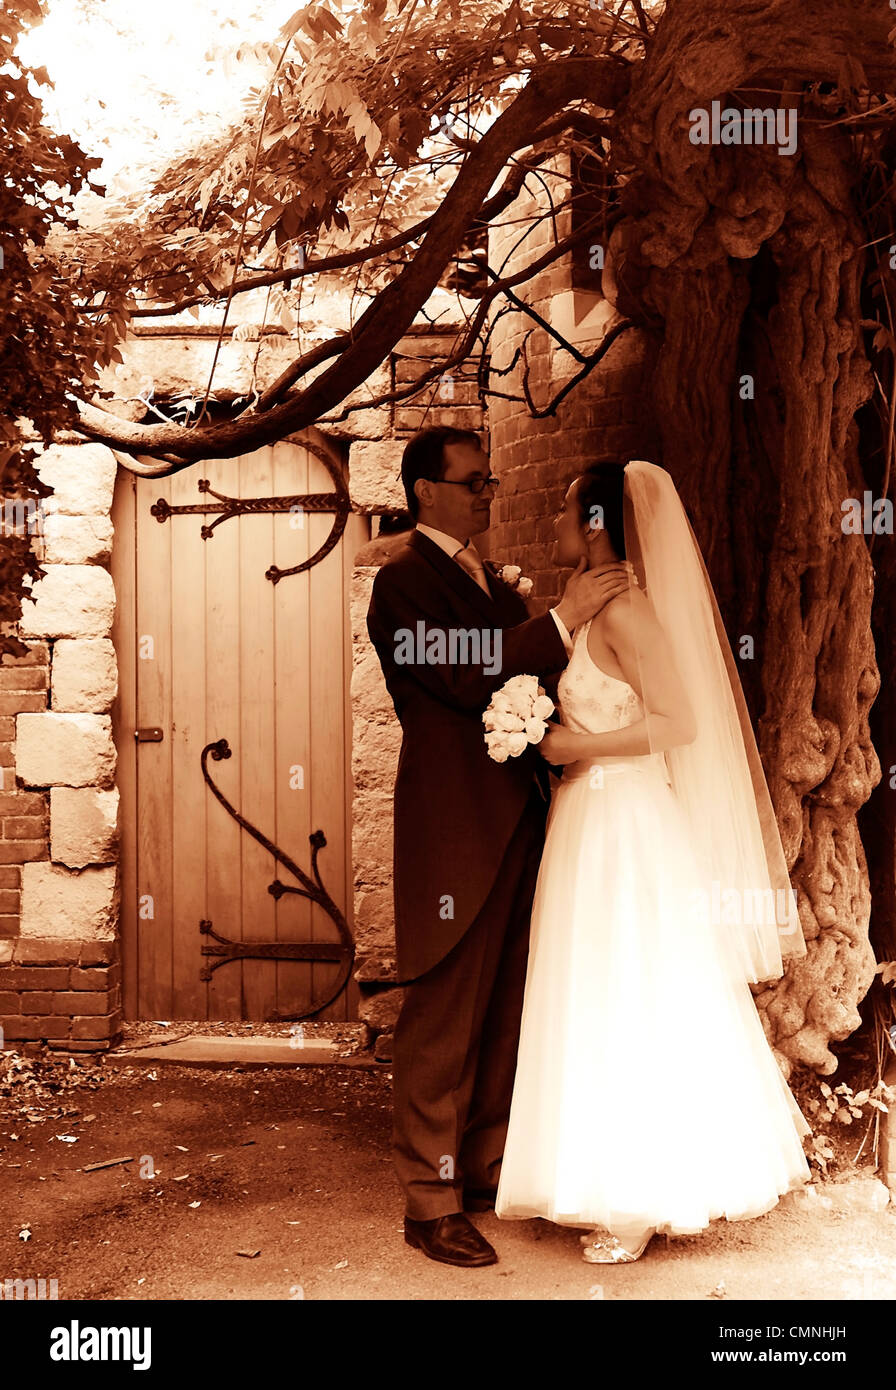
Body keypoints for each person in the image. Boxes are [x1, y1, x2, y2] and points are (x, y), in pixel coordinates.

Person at [494, 458, 813, 1262]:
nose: (558, 526)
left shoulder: (629, 612)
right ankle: (597, 1173)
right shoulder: (592, 608)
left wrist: (576, 743)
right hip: (587, 816)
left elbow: (678, 724)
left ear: (596, 522)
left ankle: (637, 1196)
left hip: (625, 817)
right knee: (591, 988)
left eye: (567, 512)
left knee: (629, 985)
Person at [365, 426, 633, 1268]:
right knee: (446, 1007)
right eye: (474, 482)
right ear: (424, 493)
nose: (489, 493)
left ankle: (483, 1163)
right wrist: (564, 617)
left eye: (490, 480)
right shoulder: (402, 582)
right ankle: (430, 1199)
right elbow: (461, 668)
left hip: (521, 815)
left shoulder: (487, 576)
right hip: (453, 824)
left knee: (506, 1004)